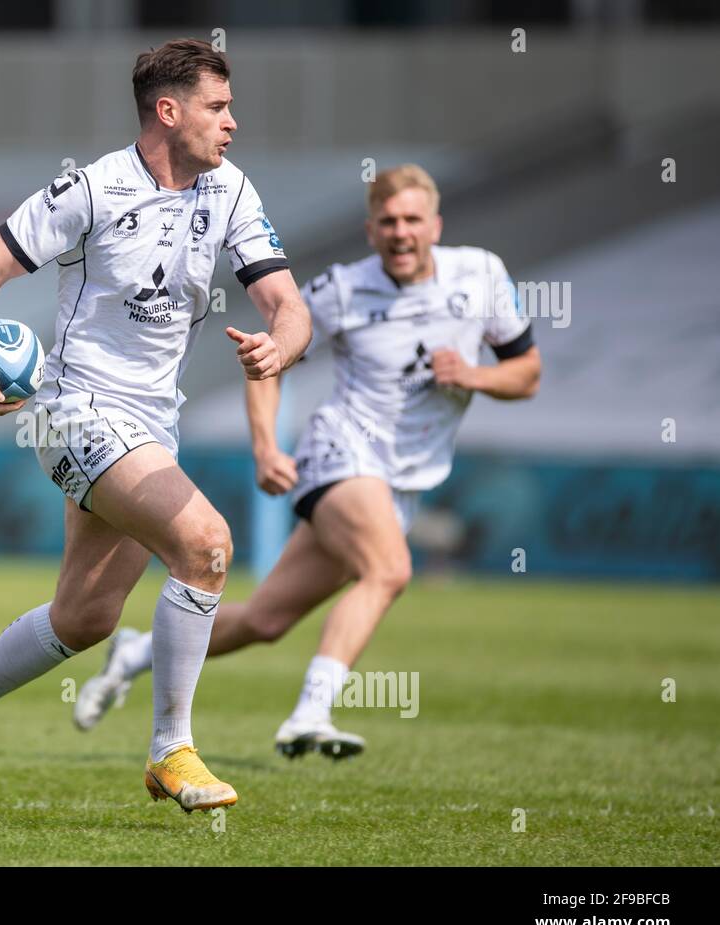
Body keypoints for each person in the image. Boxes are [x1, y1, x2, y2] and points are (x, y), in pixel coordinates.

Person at [0, 38, 311, 815]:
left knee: (85, 619)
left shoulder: (231, 192)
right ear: (170, 110)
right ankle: (172, 749)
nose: (233, 123)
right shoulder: (89, 189)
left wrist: (277, 346)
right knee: (206, 543)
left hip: (153, 425)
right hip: (72, 413)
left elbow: (290, 307)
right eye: (218, 107)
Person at [73, 164, 541, 759]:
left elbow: (527, 373)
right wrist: (267, 446)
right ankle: (310, 715)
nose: (401, 233)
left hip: (403, 480)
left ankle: (137, 652)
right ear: (370, 230)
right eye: (388, 222)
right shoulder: (344, 288)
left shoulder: (482, 275)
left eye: (412, 220)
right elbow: (271, 353)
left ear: (436, 225)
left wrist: (474, 374)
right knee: (390, 571)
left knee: (265, 620)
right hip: (341, 455)